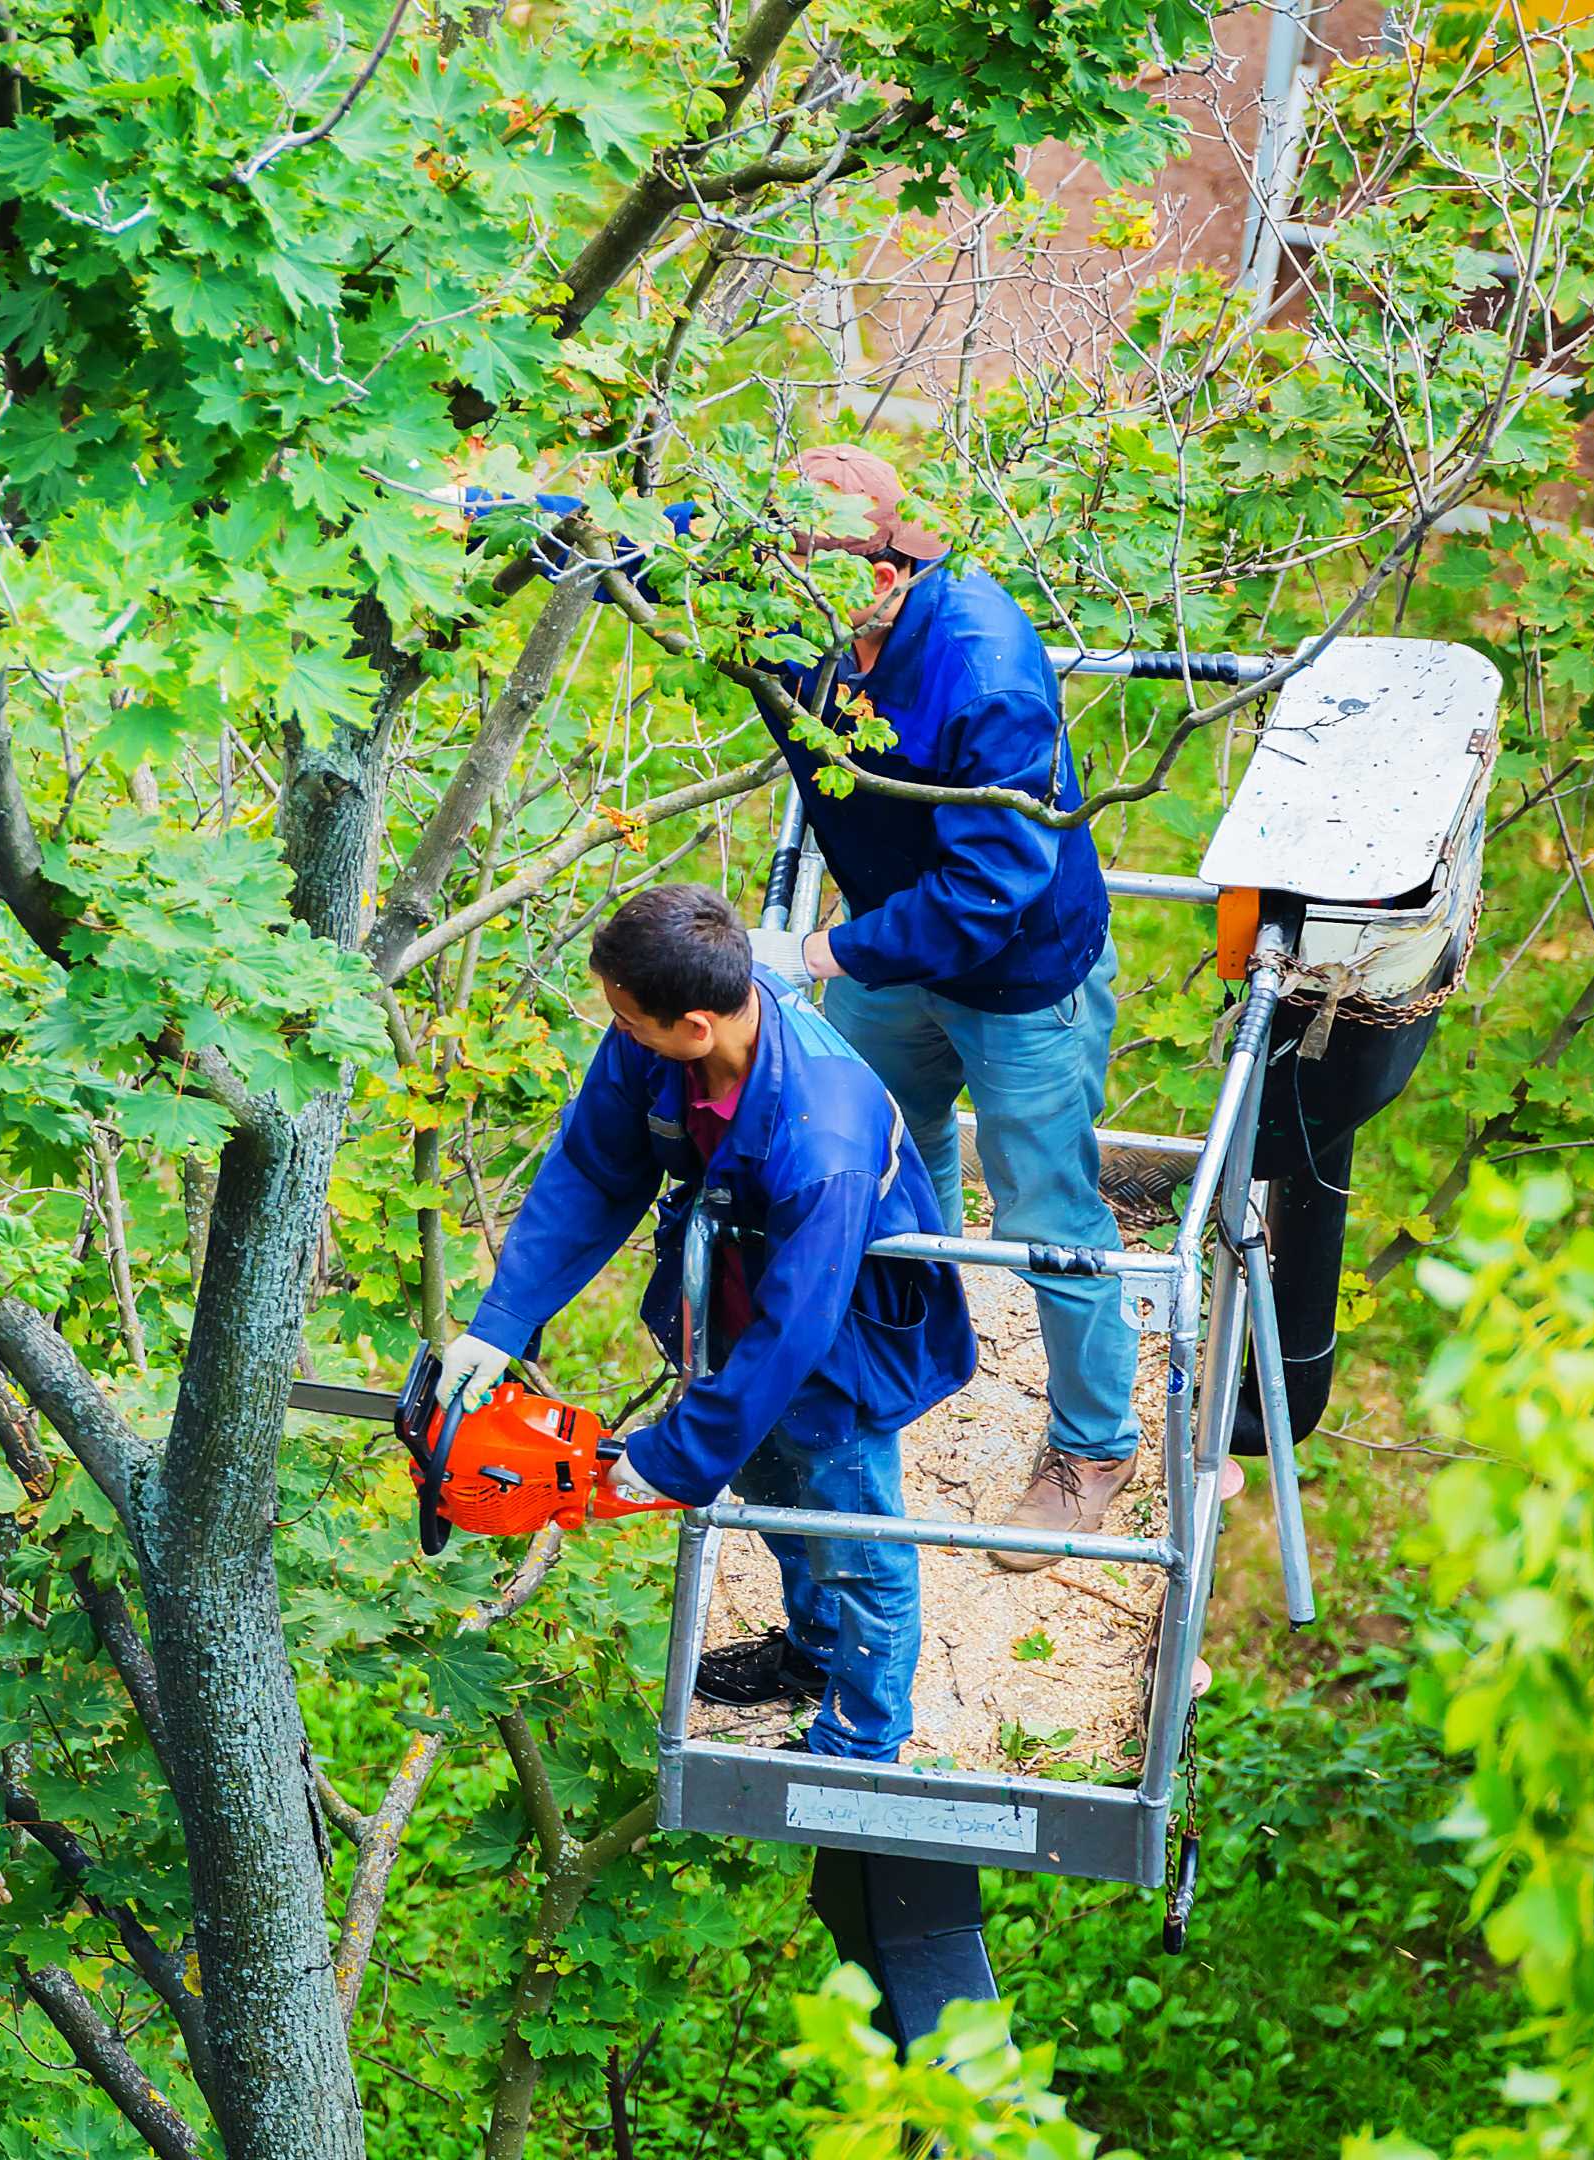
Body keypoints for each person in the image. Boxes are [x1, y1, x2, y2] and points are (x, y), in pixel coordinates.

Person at [433, 885, 976, 1759]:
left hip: (838, 1329)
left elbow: (796, 1332)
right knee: (770, 1497)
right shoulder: (659, 1038)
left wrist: (672, 1460)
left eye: (628, 1020)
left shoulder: (820, 1137)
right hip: (731, 1284)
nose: (616, 1031)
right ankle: (813, 1651)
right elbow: (596, 1170)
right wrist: (503, 1321)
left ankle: (862, 1737)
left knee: (851, 1529)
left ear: (695, 1027)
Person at [746, 444, 1141, 1568]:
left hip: (1018, 975)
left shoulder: (984, 673)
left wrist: (817, 950)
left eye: (808, 574)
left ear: (882, 570)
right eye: (775, 566)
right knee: (879, 1151)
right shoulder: (780, 609)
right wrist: (492, 497)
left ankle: (1092, 1446)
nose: (782, 599)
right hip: (890, 953)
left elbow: (988, 892)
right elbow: (653, 528)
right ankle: (920, 1341)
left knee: (1048, 1212)